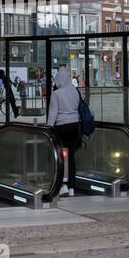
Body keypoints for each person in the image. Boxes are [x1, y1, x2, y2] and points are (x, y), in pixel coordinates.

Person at [46, 68, 83, 197]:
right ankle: (72, 187)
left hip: (61, 127)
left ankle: (62, 185)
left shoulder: (56, 94)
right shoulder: (75, 91)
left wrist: (48, 129)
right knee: (71, 157)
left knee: (60, 157)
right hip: (74, 126)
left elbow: (53, 114)